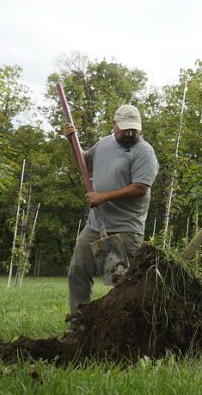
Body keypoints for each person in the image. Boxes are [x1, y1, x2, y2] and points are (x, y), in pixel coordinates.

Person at [63, 104, 159, 326]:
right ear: (114, 124)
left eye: (134, 129)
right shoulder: (104, 144)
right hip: (95, 225)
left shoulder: (144, 152)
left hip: (126, 228)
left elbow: (140, 188)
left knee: (126, 283)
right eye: (124, 128)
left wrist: (103, 197)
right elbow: (84, 163)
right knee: (77, 271)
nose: (129, 133)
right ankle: (78, 324)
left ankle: (127, 329)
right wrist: (72, 140)